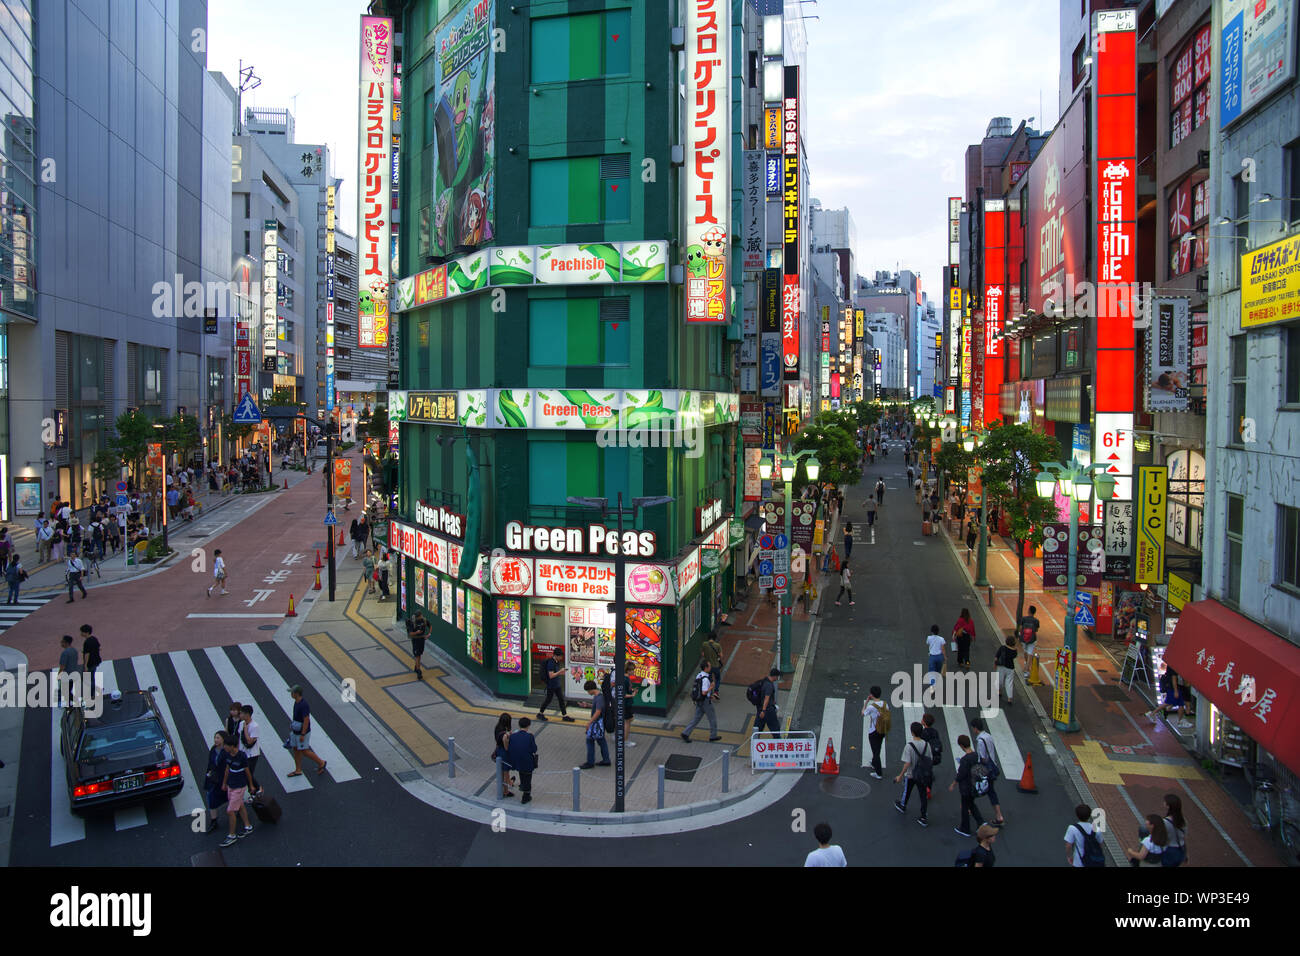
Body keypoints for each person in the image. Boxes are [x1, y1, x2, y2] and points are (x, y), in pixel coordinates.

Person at [218, 731, 254, 847]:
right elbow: (227, 769)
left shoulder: (242, 756)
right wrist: (224, 783)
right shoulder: (227, 755)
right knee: (240, 806)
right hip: (231, 785)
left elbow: (247, 772)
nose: (224, 747)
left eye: (226, 745)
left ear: (232, 746)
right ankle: (248, 826)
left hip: (240, 786)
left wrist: (251, 785)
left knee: (230, 811)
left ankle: (232, 835)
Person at [894, 721, 933, 827]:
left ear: (912, 732)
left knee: (907, 791)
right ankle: (923, 816)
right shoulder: (926, 745)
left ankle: (903, 805)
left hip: (911, 774)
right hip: (922, 774)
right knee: (923, 795)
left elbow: (907, 763)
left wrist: (900, 775)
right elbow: (930, 758)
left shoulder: (909, 746)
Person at [949, 734, 986, 836]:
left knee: (965, 807)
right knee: (971, 804)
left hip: (966, 787)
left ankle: (965, 828)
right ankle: (980, 822)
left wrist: (953, 784)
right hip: (974, 785)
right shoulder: (975, 755)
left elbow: (961, 774)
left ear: (961, 745)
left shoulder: (965, 760)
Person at [970, 718, 1005, 826]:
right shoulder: (988, 736)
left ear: (975, 728)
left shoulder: (980, 741)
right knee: (991, 792)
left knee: (974, 789)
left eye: (973, 728)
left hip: (985, 769)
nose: (972, 729)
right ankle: (999, 816)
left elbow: (983, 757)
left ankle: (968, 808)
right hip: (992, 767)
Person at [286, 685, 327, 776]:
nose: (291, 694)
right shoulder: (297, 702)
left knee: (304, 750)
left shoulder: (303, 705)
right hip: (296, 731)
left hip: (302, 732)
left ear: (296, 693)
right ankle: (298, 769)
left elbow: (306, 719)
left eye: (292, 693)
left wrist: (303, 734)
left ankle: (321, 763)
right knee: (296, 749)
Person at [680, 660, 721, 742]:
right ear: (706, 668)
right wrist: (711, 687)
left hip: (699, 701)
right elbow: (704, 692)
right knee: (712, 718)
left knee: (696, 718)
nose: (710, 667)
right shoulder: (705, 679)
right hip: (705, 702)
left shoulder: (699, 675)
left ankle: (685, 733)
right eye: (709, 666)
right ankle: (713, 736)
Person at [505, 717, 538, 805]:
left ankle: (522, 785)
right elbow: (534, 749)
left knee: (522, 774)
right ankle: (526, 796)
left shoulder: (513, 736)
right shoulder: (530, 736)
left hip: (516, 761)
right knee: (528, 777)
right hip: (527, 762)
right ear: (528, 725)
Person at [579, 680, 611, 769]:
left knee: (590, 741)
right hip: (599, 724)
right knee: (601, 741)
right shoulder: (598, 696)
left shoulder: (599, 698)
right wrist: (587, 705)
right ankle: (606, 760)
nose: (588, 693)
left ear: (590, 690)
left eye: (588, 691)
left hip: (597, 724)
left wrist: (589, 722)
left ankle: (590, 762)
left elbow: (598, 711)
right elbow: (596, 707)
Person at [535, 646, 573, 721]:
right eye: (560, 656)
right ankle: (540, 713)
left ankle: (564, 715)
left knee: (561, 700)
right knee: (548, 699)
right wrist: (560, 672)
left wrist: (562, 672)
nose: (561, 658)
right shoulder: (551, 663)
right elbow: (551, 675)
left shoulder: (556, 662)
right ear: (555, 655)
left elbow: (555, 673)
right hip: (551, 685)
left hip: (556, 684)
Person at [202, 730, 228, 834]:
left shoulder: (226, 751)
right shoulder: (213, 749)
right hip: (215, 780)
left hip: (224, 779)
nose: (215, 740)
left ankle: (240, 811)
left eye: (218, 738)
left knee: (231, 797)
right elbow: (210, 763)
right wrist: (208, 774)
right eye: (215, 738)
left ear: (223, 739)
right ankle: (214, 821)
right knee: (211, 797)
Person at [1152, 794, 1187, 866]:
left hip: (1169, 850)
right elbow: (1184, 837)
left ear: (1168, 806)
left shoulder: (1165, 822)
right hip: (1180, 849)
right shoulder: (1184, 821)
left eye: (1165, 802)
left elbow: (1160, 837)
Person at [237, 704, 263, 797]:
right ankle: (255, 790)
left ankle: (256, 790)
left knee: (248, 774)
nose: (240, 715)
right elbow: (239, 738)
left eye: (241, 713)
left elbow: (249, 740)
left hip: (252, 755)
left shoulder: (254, 726)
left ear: (247, 715)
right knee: (246, 774)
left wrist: (245, 729)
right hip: (242, 753)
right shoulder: (241, 723)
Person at [862, 686, 887, 779]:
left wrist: (866, 702)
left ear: (871, 695)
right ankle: (873, 763)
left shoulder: (871, 707)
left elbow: (863, 713)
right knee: (878, 747)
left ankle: (879, 772)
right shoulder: (885, 704)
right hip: (883, 730)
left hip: (874, 731)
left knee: (875, 751)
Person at [493, 712, 515, 797]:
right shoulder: (504, 734)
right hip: (504, 753)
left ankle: (509, 782)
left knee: (502, 771)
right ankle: (506, 791)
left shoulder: (497, 727)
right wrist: (509, 736)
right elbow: (506, 747)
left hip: (499, 751)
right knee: (505, 772)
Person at [754, 667, 782, 735]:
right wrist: (764, 710)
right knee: (775, 727)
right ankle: (778, 741)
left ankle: (755, 740)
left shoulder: (764, 681)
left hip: (760, 708)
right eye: (777, 676)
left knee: (758, 727)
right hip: (767, 710)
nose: (777, 678)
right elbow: (767, 698)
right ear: (775, 676)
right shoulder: (769, 685)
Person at [57, 635, 81, 706]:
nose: (61, 643)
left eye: (62, 642)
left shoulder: (65, 653)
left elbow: (62, 666)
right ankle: (71, 704)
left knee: (64, 691)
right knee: (68, 690)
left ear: (66, 643)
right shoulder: (75, 651)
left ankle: (75, 702)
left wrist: (59, 675)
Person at [994, 636, 1017, 707]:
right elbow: (1014, 657)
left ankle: (999, 691)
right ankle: (1009, 698)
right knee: (1009, 682)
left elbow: (996, 656)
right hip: (1010, 668)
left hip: (1001, 666)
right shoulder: (1014, 651)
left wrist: (995, 664)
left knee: (1000, 680)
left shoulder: (1002, 648)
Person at [1018, 606, 1040, 676]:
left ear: (1029, 611)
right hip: (1032, 639)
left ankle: (1026, 667)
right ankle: (1026, 669)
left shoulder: (1024, 619)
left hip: (1023, 639)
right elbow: (1036, 630)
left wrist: (1020, 636)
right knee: (1030, 654)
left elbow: (1021, 628)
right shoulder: (1036, 621)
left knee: (1025, 652)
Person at [406, 611, 428, 678]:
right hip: (415, 640)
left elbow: (430, 625)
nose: (422, 616)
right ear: (418, 617)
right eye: (420, 615)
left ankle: (416, 667)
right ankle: (419, 671)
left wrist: (428, 634)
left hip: (421, 640)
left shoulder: (423, 620)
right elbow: (410, 633)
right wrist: (416, 632)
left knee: (419, 654)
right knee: (417, 655)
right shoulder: (412, 622)